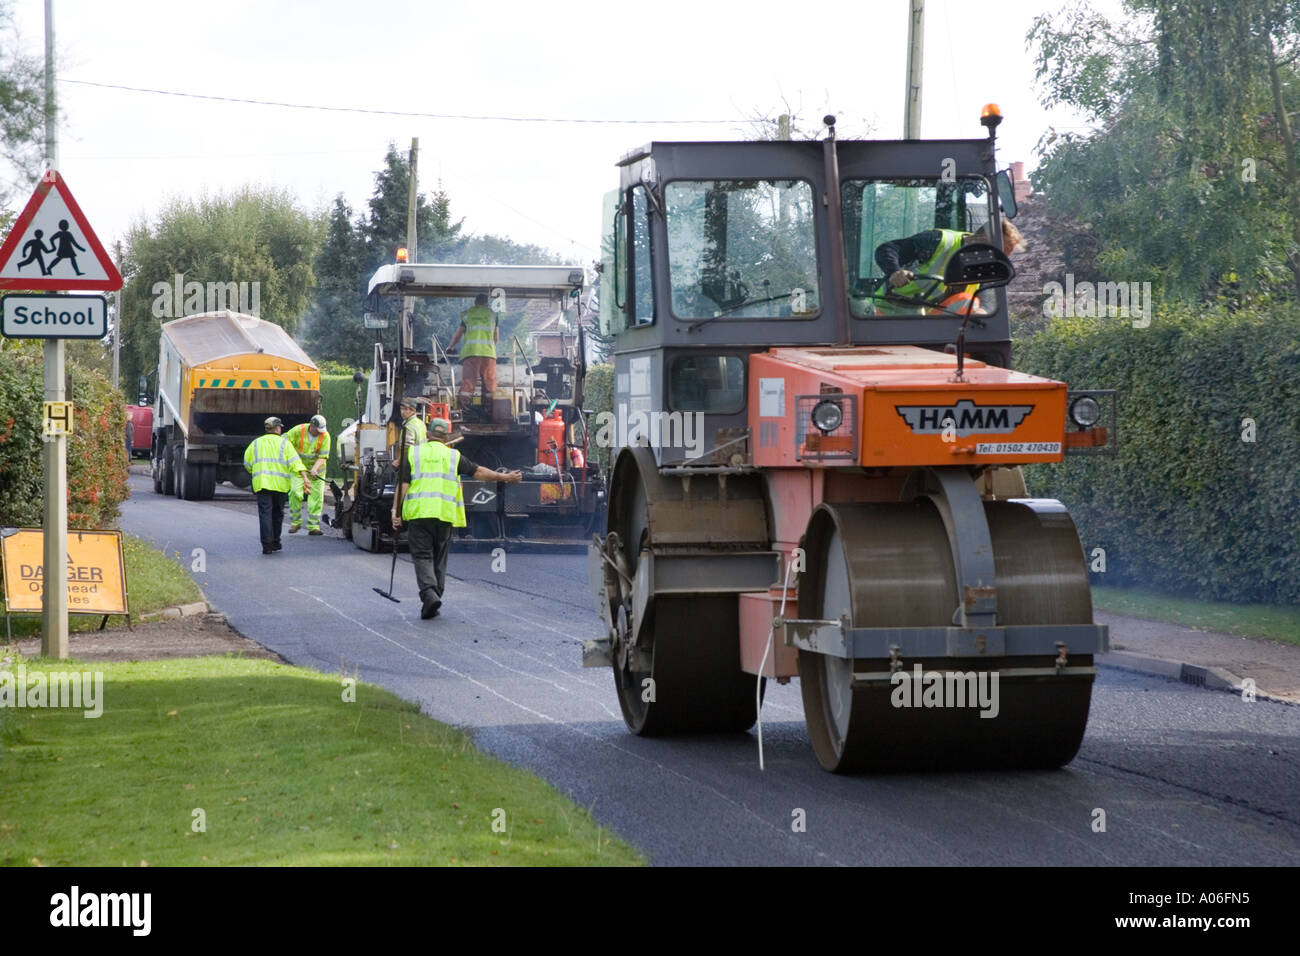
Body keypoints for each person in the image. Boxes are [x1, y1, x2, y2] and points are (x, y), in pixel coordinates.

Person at [391, 417, 521, 619]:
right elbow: (479, 472)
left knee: (423, 556)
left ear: (427, 435)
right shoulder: (454, 456)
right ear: (446, 438)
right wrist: (506, 477)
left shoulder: (413, 454)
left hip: (419, 513)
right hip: (444, 514)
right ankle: (434, 596)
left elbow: (403, 486)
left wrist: (395, 512)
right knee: (440, 558)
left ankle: (429, 594)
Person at [873, 219, 1024, 315]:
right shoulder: (939, 241)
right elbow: (887, 249)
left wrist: (983, 313)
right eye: (997, 253)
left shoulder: (986, 269)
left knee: (969, 303)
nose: (996, 261)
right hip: (888, 312)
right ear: (981, 239)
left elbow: (988, 300)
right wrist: (895, 272)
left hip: (928, 326)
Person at [243, 417, 308, 555]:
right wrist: (305, 478)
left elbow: (247, 463)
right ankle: (276, 542)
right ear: (278, 428)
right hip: (280, 486)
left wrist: (256, 472)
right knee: (277, 514)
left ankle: (267, 546)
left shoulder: (255, 443)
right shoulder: (285, 444)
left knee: (265, 514)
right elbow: (295, 463)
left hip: (262, 484)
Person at [446, 293, 499, 417]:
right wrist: (491, 347)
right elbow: (496, 336)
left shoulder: (467, 314)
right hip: (488, 354)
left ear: (475, 301)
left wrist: (451, 346)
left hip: (471, 353)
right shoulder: (493, 315)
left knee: (469, 382)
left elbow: (459, 333)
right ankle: (489, 412)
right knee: (489, 382)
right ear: (487, 302)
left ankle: (463, 412)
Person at [285, 414, 331, 535]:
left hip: (317, 472)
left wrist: (315, 469)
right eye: (318, 430)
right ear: (312, 426)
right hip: (298, 469)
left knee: (316, 498)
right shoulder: (298, 430)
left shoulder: (325, 436)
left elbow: (323, 457)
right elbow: (284, 442)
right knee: (295, 492)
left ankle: (313, 526)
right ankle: (295, 523)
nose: (321, 432)